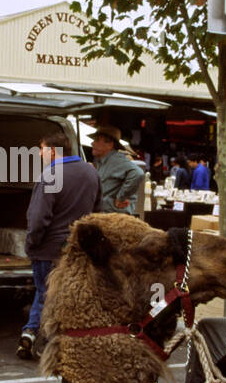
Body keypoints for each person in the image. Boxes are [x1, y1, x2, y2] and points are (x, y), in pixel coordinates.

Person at [19, 130, 102, 359]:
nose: (39, 153)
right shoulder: (90, 172)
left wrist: (31, 244)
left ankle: (47, 341)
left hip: (48, 249)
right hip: (76, 248)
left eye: (42, 149)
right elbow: (97, 212)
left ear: (52, 151)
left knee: (48, 294)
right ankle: (32, 332)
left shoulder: (51, 175)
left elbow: (38, 218)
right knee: (58, 294)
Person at [91, 125, 143, 214]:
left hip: (115, 218)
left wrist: (121, 198)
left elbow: (138, 173)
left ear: (110, 145)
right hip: (107, 215)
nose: (92, 143)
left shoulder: (116, 159)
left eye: (97, 140)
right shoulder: (103, 162)